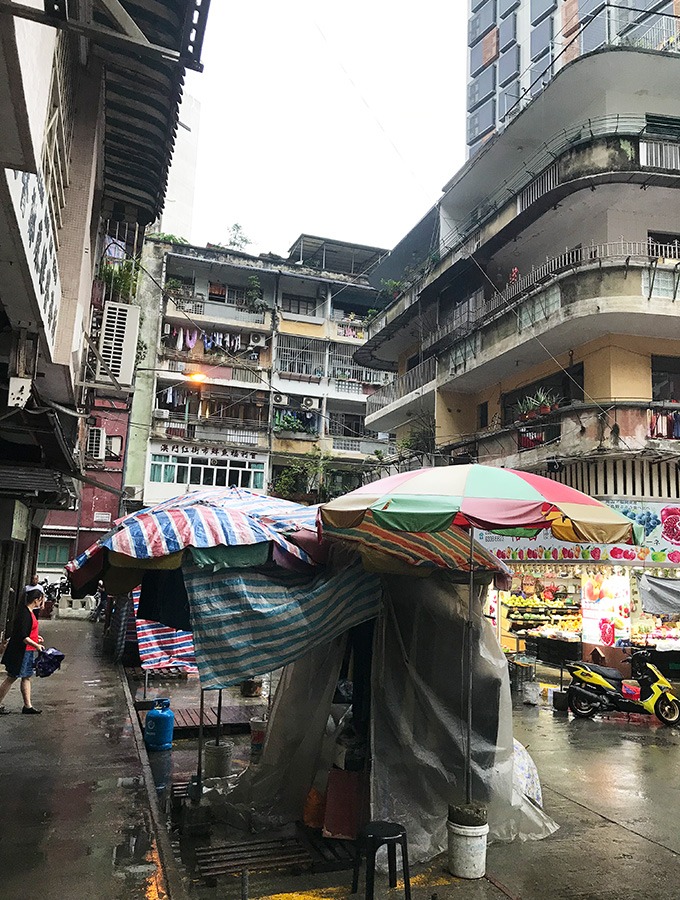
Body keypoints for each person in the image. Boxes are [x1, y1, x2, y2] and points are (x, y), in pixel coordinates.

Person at [0, 588, 45, 715]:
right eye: (40, 600)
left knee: (26, 677)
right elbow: (23, 636)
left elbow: (28, 632)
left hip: (27, 650)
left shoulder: (28, 612)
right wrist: (36, 645)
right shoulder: (25, 614)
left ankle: (28, 706)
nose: (41, 603)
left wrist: (36, 638)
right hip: (22, 651)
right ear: (36, 600)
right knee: (12, 677)